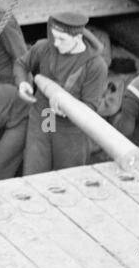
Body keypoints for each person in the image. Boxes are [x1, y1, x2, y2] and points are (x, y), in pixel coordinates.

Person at [15, 10, 108, 174]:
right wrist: (22, 83)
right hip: (45, 116)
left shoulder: (95, 66)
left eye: (62, 39)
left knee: (69, 175)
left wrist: (67, 108)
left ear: (78, 38)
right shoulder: (45, 48)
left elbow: (91, 107)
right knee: (35, 169)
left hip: (71, 129)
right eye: (54, 36)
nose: (56, 43)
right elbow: (21, 64)